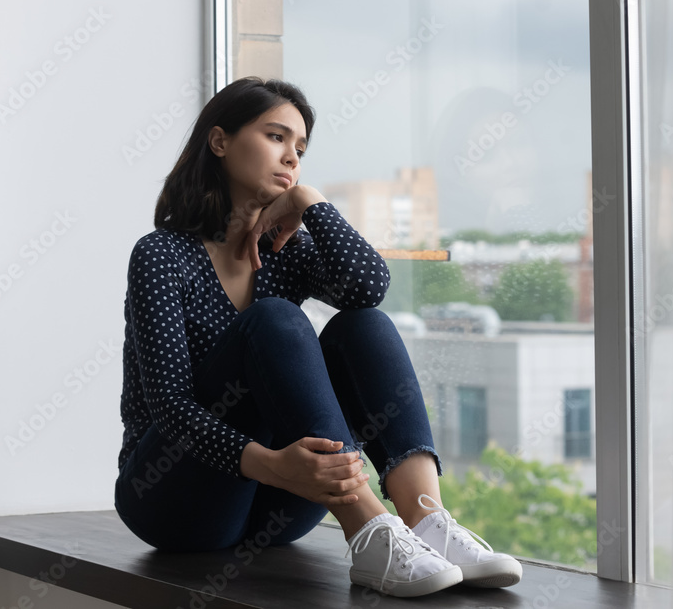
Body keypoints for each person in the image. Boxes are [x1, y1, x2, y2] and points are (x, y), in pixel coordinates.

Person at [113, 76, 523, 598]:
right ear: (220, 142)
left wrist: (309, 203)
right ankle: (368, 528)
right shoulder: (162, 255)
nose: (291, 158)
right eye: (276, 137)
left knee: (363, 324)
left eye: (300, 149)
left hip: (280, 508)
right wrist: (272, 463)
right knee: (276, 320)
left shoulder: (287, 254)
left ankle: (427, 520)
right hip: (175, 500)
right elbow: (168, 406)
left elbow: (368, 286)